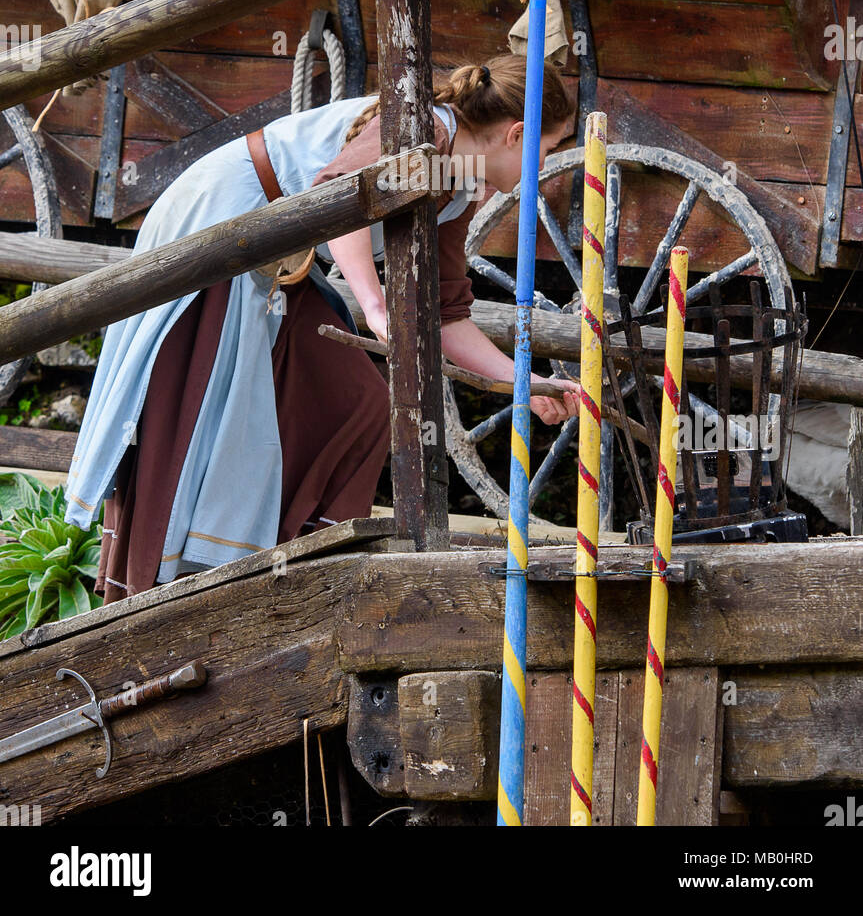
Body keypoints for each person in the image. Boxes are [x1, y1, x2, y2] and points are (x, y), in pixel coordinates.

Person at [63, 54, 580, 602]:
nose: (545, 168)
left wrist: (524, 382)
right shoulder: (426, 129)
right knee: (190, 406)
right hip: (228, 222)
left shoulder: (462, 189)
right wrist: (376, 307)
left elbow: (446, 313)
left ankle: (287, 581)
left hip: (281, 258)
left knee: (356, 403)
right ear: (516, 135)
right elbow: (342, 196)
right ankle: (155, 590)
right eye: (546, 151)